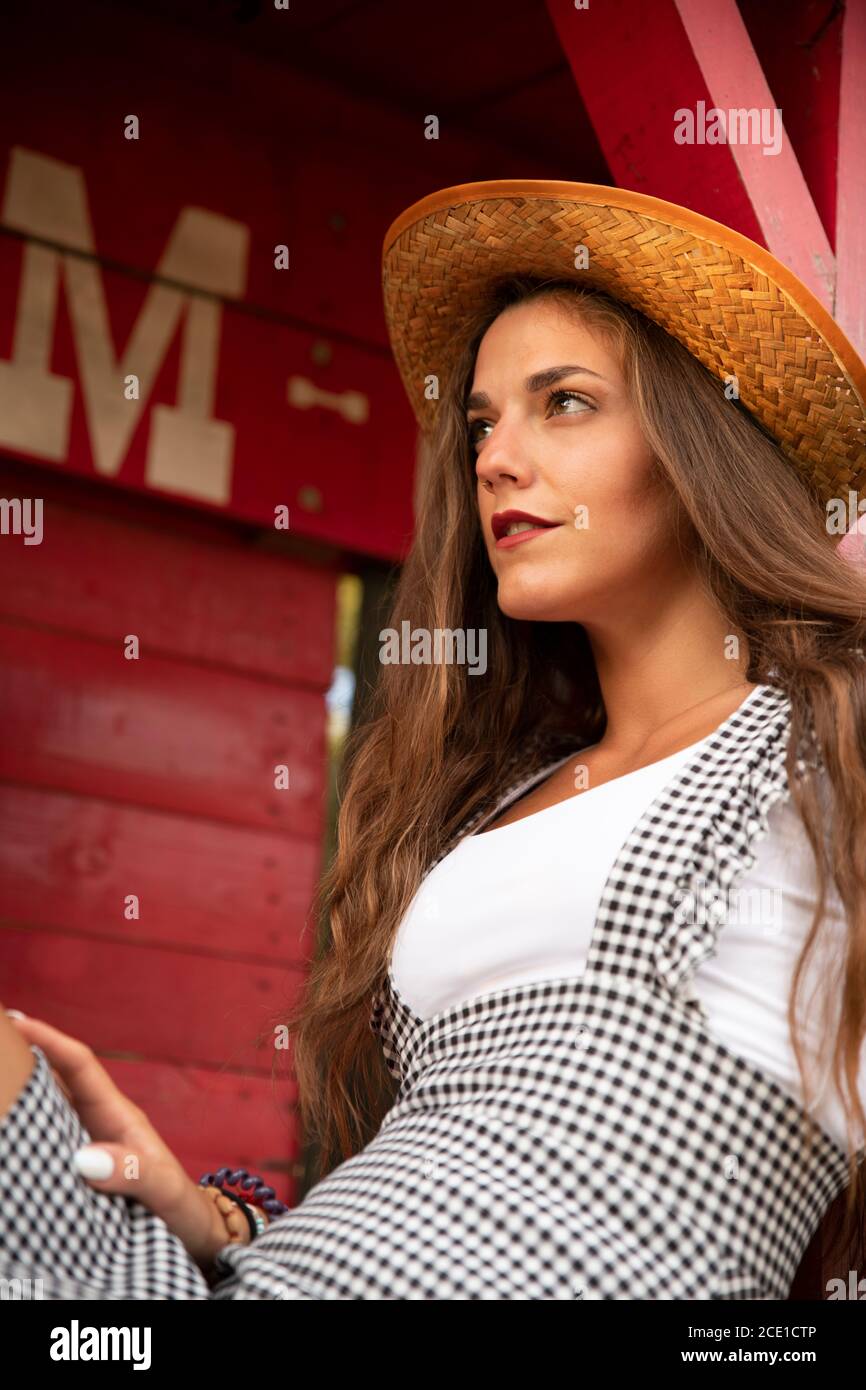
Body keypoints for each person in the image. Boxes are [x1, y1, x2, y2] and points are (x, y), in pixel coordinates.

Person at [3, 179, 866, 1300]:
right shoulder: (491, 802)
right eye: (481, 420)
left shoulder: (827, 736)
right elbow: (445, 1167)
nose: (496, 456)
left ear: (699, 441)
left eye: (561, 402)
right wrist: (220, 1218)